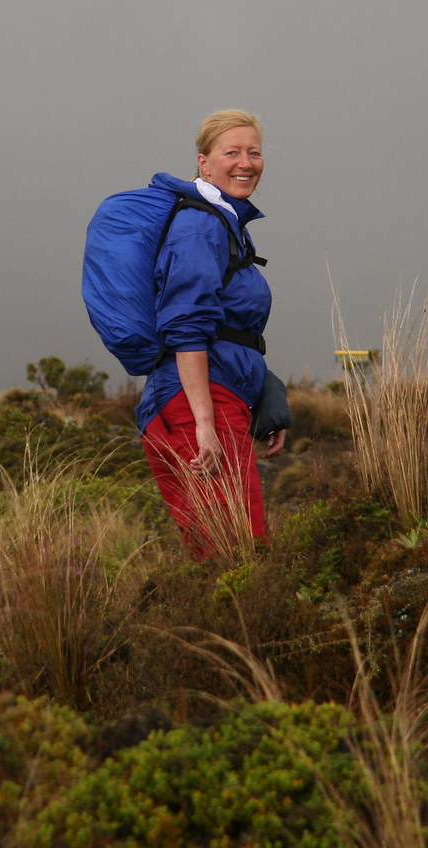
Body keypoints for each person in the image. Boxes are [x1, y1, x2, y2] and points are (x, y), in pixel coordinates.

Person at [135, 109, 287, 557]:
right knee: (236, 549)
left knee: (224, 547)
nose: (245, 163)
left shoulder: (224, 223)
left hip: (221, 399)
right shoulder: (200, 226)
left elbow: (229, 331)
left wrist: (265, 394)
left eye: (254, 152)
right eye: (232, 152)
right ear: (203, 162)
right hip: (199, 404)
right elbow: (187, 328)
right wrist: (205, 424)